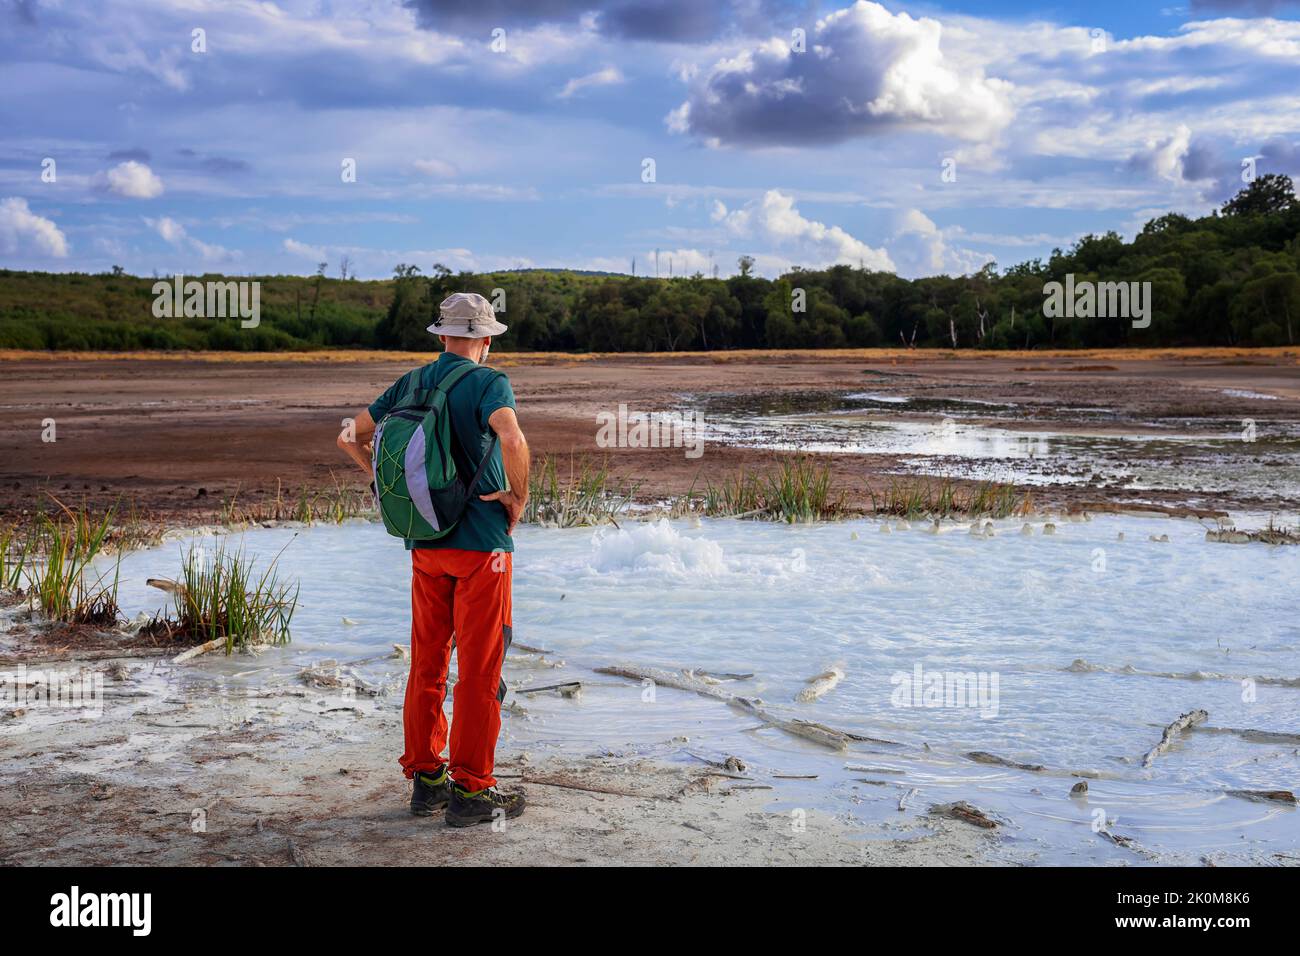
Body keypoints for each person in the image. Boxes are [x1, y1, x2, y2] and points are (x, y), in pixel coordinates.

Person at [336, 292, 530, 827]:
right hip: (482, 549)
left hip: (425, 546)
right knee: (480, 671)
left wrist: (378, 479)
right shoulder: (489, 382)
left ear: (441, 336)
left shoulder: (411, 382)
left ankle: (427, 782)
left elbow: (348, 435)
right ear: (486, 340)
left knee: (427, 663)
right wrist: (518, 497)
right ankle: (472, 791)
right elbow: (512, 439)